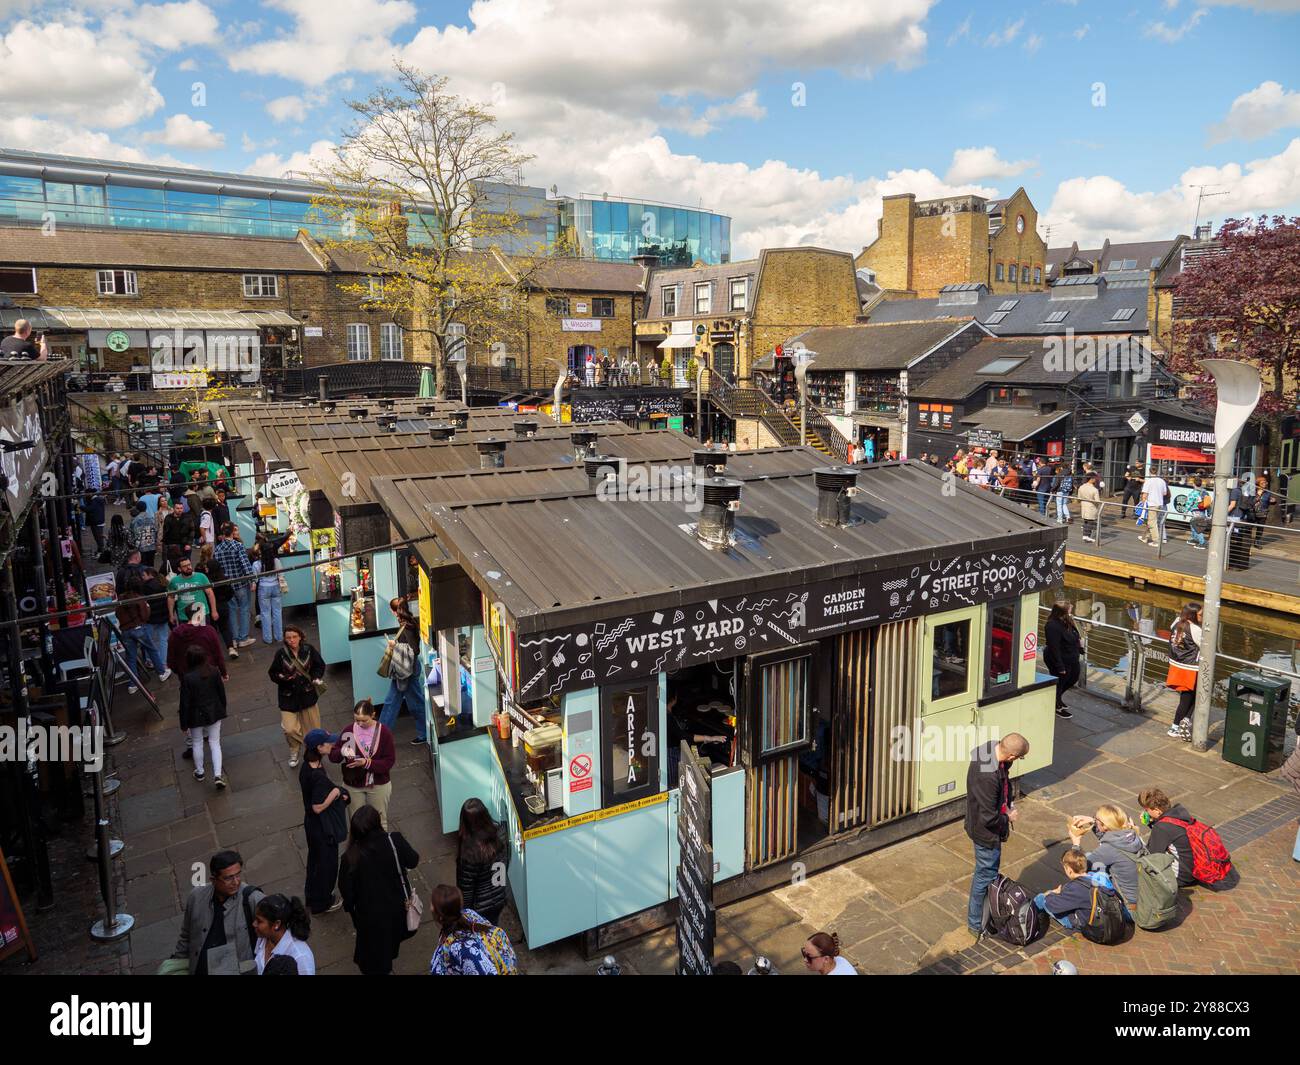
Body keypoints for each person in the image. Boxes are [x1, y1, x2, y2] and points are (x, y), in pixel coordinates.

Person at [338, 804, 421, 975]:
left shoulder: (350, 858)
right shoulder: (394, 841)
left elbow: (347, 892)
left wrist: (353, 910)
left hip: (370, 919)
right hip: (398, 909)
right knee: (390, 944)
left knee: (374, 956)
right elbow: (413, 860)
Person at [964, 732, 1030, 939]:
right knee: (985, 875)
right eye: (1017, 758)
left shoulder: (990, 749)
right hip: (986, 834)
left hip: (982, 824)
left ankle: (985, 915)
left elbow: (1003, 779)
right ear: (1010, 756)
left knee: (985, 873)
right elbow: (987, 818)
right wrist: (1008, 817)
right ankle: (976, 924)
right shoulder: (988, 777)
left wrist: (1006, 800)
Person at [171, 850, 264, 975]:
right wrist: (176, 964)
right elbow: (186, 936)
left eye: (238, 875)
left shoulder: (253, 898)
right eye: (228, 878)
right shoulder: (196, 897)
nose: (236, 882)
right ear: (213, 880)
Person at [300, 728, 347, 915]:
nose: (332, 744)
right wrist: (336, 793)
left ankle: (312, 897)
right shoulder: (317, 776)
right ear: (319, 747)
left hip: (312, 825)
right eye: (328, 742)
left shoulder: (308, 765)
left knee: (315, 861)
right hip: (322, 827)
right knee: (327, 865)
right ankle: (322, 903)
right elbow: (317, 806)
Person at [329, 699, 396, 829]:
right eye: (356, 720)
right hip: (353, 783)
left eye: (364, 720)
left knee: (379, 822)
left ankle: (381, 847)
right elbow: (333, 756)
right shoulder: (349, 731)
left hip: (378, 783)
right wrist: (342, 751)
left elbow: (388, 762)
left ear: (373, 715)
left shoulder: (384, 733)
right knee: (355, 821)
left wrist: (366, 763)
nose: (360, 724)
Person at [269, 625, 327, 767]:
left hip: (307, 695)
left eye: (294, 637)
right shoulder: (280, 654)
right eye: (288, 637)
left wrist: (315, 677)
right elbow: (273, 673)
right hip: (288, 696)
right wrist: (283, 678)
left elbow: (319, 665)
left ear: (300, 637)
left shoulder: (308, 650)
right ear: (285, 639)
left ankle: (311, 753)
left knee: (314, 729)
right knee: (290, 729)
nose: (292, 640)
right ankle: (301, 748)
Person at [429, 884, 519, 975]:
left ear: (440, 916)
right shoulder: (469, 913)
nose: (430, 906)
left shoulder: (460, 950)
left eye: (432, 904)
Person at [1067, 805, 1145, 909]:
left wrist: (1076, 843)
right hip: (1147, 898)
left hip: (1132, 909)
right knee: (1095, 860)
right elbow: (1110, 837)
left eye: (1097, 819)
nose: (1095, 819)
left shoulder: (1108, 849)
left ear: (1104, 826)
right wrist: (1093, 821)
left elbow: (1077, 866)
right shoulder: (1133, 835)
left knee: (1088, 871)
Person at [1032, 849, 1126, 931]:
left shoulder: (1075, 888)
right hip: (1110, 920)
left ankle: (1029, 915)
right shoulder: (1099, 877)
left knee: (1041, 899)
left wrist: (1052, 894)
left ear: (1069, 870)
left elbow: (1053, 906)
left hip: (1092, 926)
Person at [379, 597, 428, 746]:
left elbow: (414, 649)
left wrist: (395, 645)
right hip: (407, 669)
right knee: (396, 702)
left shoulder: (406, 626)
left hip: (406, 670)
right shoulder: (410, 623)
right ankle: (381, 736)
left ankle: (380, 736)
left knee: (400, 703)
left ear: (395, 612)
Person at [179, 643, 228, 788]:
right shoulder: (214, 671)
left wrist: (184, 723)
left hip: (195, 716)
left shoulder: (187, 678)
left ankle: (200, 772)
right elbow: (221, 693)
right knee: (214, 743)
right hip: (214, 712)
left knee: (197, 743)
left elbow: (185, 703)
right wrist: (222, 709)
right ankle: (217, 774)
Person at [456, 798, 510, 925]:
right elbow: (504, 864)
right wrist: (500, 892)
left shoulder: (469, 852)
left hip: (480, 908)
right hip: (499, 898)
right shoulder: (500, 833)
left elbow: (466, 889)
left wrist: (465, 914)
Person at [1136, 788, 1200, 888]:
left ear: (1157, 810)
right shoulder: (1178, 814)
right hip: (1196, 871)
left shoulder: (1161, 827)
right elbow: (1169, 834)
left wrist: (1136, 835)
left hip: (1182, 877)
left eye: (1146, 810)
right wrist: (1151, 823)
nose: (1145, 812)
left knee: (1138, 862)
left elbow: (1152, 856)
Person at [116, 578, 170, 691]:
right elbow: (145, 615)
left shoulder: (121, 598)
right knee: (152, 650)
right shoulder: (139, 598)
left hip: (126, 630)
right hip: (139, 628)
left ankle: (133, 684)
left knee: (131, 657)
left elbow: (117, 614)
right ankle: (162, 672)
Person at [214, 523, 256, 648]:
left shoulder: (218, 549)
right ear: (232, 532)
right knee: (244, 609)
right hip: (240, 583)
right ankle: (243, 638)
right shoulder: (238, 546)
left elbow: (217, 568)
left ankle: (234, 638)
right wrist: (252, 580)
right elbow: (245, 565)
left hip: (226, 585)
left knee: (232, 611)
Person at [253, 894, 316, 976]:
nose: (254, 924)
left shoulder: (301, 957)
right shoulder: (264, 938)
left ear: (277, 924)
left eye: (259, 921)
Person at [1165, 602, 1202, 741]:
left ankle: (1185, 720)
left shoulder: (1176, 623)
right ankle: (1176, 726)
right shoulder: (1195, 630)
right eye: (1200, 615)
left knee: (1188, 696)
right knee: (1189, 697)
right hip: (1190, 668)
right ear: (1192, 615)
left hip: (1177, 665)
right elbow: (1205, 645)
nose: (1203, 617)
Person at [196, 543, 237, 659]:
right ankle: (231, 648)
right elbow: (230, 592)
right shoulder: (224, 578)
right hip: (223, 605)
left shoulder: (205, 579)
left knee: (212, 630)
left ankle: (214, 651)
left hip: (209, 606)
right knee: (225, 628)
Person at [253, 530, 294, 644]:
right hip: (275, 587)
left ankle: (268, 638)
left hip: (263, 588)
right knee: (277, 612)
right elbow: (281, 574)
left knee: (265, 614)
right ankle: (279, 636)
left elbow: (255, 579)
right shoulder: (275, 561)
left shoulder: (257, 564)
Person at [1044, 600, 1081, 719]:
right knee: (1060, 683)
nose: (1071, 609)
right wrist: (1060, 666)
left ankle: (1057, 698)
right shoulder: (1052, 626)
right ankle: (1056, 705)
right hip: (1060, 659)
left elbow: (1075, 635)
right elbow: (1054, 648)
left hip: (1072, 657)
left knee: (1073, 678)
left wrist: (1080, 647)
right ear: (1062, 611)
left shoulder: (1067, 620)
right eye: (1069, 608)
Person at [167, 555, 217, 632]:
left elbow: (210, 594)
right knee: (188, 640)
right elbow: (171, 597)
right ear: (179, 569)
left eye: (189, 565)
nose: (188, 567)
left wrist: (214, 610)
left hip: (202, 614)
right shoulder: (174, 581)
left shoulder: (201, 576)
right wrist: (171, 615)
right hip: (184, 616)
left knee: (204, 638)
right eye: (185, 566)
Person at [161, 500, 195, 573]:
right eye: (178, 508)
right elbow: (165, 532)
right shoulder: (168, 517)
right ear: (173, 508)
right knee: (173, 566)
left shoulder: (187, 517)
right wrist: (165, 545)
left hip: (184, 545)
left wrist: (189, 544)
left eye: (181, 508)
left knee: (186, 564)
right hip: (172, 546)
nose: (180, 510)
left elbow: (192, 531)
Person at [1138, 466, 1169, 546]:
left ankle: (1156, 541)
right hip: (1160, 504)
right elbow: (1165, 493)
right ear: (1157, 472)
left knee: (1152, 523)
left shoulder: (1148, 481)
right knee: (1152, 521)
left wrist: (1143, 504)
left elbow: (1144, 495)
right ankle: (1145, 537)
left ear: (1149, 472)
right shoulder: (1162, 481)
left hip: (1151, 504)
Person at [130, 502, 158, 567]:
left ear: (137, 509)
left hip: (141, 547)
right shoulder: (152, 517)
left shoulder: (135, 520)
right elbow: (156, 530)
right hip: (151, 545)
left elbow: (134, 534)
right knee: (151, 565)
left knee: (142, 566)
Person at [1078, 472, 1101, 543]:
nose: (1095, 480)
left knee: (1086, 521)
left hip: (1084, 507)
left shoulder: (1081, 487)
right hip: (1092, 507)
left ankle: (1085, 535)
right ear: (1092, 479)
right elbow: (1097, 501)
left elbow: (1079, 498)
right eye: (1095, 478)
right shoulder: (1094, 490)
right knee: (1090, 522)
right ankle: (1086, 536)